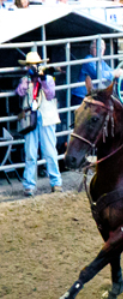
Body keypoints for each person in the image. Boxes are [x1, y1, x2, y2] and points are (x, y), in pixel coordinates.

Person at [16, 51, 63, 197]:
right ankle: (29, 185)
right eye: (30, 65)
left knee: (49, 150)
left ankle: (56, 182)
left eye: (34, 65)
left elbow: (50, 94)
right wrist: (26, 82)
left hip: (45, 116)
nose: (32, 67)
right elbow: (19, 93)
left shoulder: (48, 78)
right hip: (31, 118)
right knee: (30, 151)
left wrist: (42, 79)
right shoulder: (25, 79)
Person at [71, 40, 123, 106]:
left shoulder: (101, 62)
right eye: (97, 47)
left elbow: (110, 72)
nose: (100, 49)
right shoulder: (89, 60)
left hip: (90, 97)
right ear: (90, 49)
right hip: (81, 98)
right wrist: (114, 73)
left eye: (102, 48)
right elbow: (100, 75)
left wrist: (116, 73)